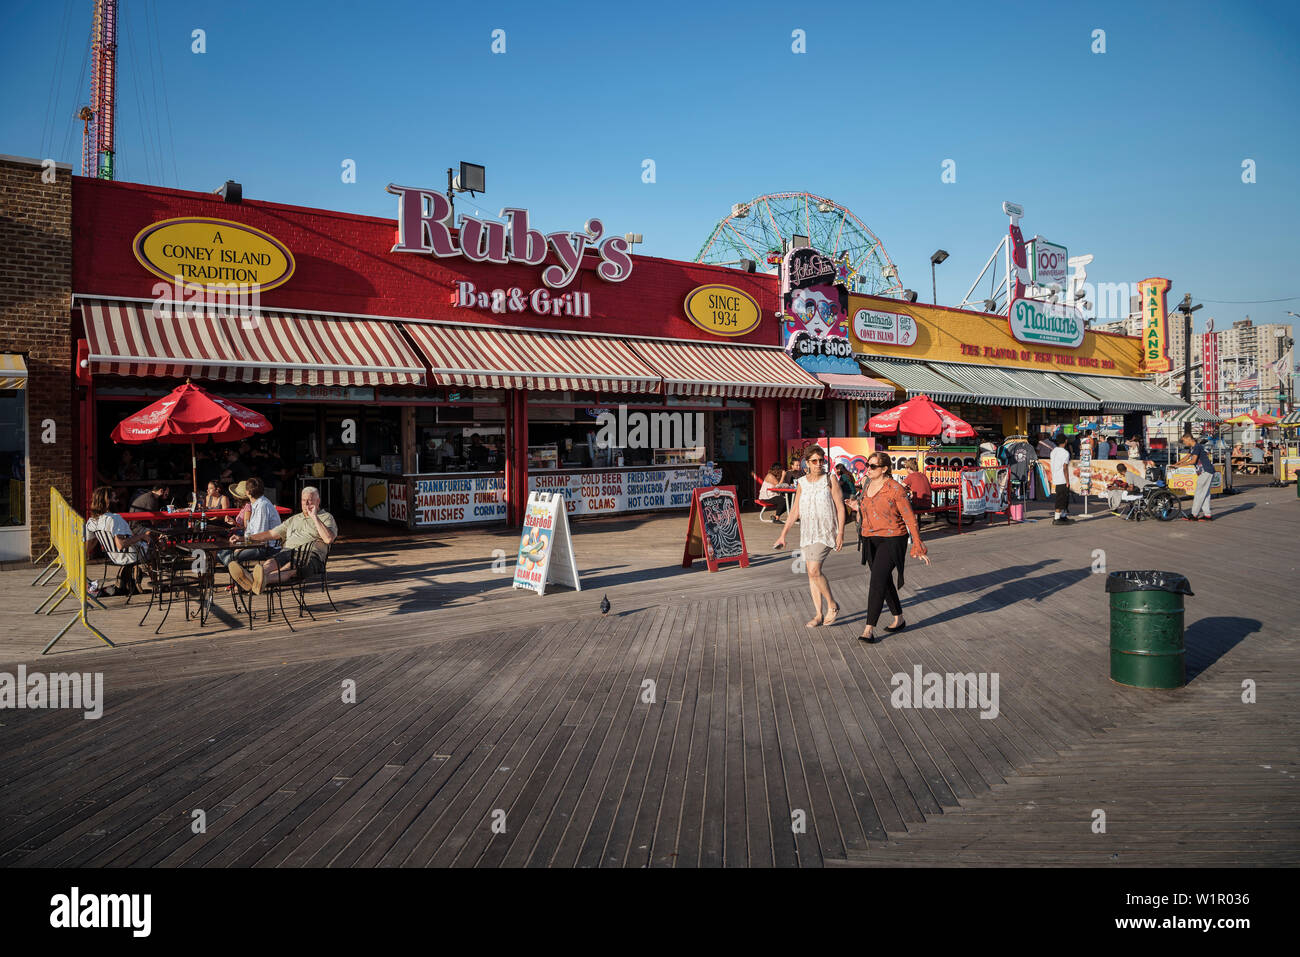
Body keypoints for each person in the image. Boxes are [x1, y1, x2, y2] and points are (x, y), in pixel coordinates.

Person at [855, 453, 929, 644]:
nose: (868, 469)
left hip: (893, 538)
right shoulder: (866, 486)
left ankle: (868, 629)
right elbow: (868, 508)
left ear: (884, 469)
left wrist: (917, 544)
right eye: (867, 465)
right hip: (870, 538)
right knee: (884, 579)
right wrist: (856, 506)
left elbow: (909, 518)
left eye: (872, 466)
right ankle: (899, 618)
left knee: (877, 580)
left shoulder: (895, 489)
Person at [773, 447, 845, 628]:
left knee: (814, 570)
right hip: (807, 532)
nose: (819, 464)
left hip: (825, 531)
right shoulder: (802, 482)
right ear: (807, 463)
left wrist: (841, 532)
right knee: (811, 575)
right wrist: (783, 535)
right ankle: (818, 614)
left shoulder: (830, 479)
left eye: (821, 460)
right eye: (814, 461)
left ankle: (832, 605)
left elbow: (840, 507)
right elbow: (795, 510)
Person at [231, 486, 338, 594]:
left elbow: (328, 539)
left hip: (309, 555)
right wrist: (245, 538)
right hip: (288, 551)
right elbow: (271, 534)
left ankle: (254, 581)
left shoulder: (326, 517)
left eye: (310, 500)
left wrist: (314, 517)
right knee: (270, 563)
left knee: (290, 567)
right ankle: (252, 579)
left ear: (318, 501)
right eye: (303, 500)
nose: (306, 504)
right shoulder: (294, 519)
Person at [84, 486, 153, 596]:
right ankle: (157, 583)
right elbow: (121, 544)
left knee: (147, 536)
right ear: (108, 501)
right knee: (156, 543)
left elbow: (88, 547)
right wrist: (142, 536)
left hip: (113, 556)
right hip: (130, 555)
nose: (118, 501)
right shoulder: (115, 518)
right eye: (115, 498)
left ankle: (129, 584)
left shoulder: (92, 521)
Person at [217, 477, 281, 570]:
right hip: (260, 544)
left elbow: (260, 536)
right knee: (221, 554)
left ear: (247, 493)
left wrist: (242, 543)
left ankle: (243, 580)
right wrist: (242, 541)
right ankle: (244, 578)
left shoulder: (262, 506)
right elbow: (253, 533)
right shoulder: (258, 503)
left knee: (229, 558)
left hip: (267, 548)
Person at [1176, 432, 1216, 521]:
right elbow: (1187, 457)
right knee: (1205, 494)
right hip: (1206, 472)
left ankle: (1194, 514)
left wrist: (1180, 466)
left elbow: (1193, 461)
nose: (1184, 443)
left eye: (1184, 441)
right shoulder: (1194, 447)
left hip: (1206, 471)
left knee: (1199, 493)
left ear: (1188, 438)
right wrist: (1176, 464)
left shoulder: (1197, 447)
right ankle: (1207, 515)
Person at [1050, 437, 1073, 525]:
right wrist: (1067, 481)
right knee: (1061, 499)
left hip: (1056, 477)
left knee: (1064, 498)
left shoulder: (1053, 451)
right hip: (1062, 478)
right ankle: (1057, 518)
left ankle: (1063, 516)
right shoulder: (1065, 453)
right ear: (1066, 441)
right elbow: (1065, 468)